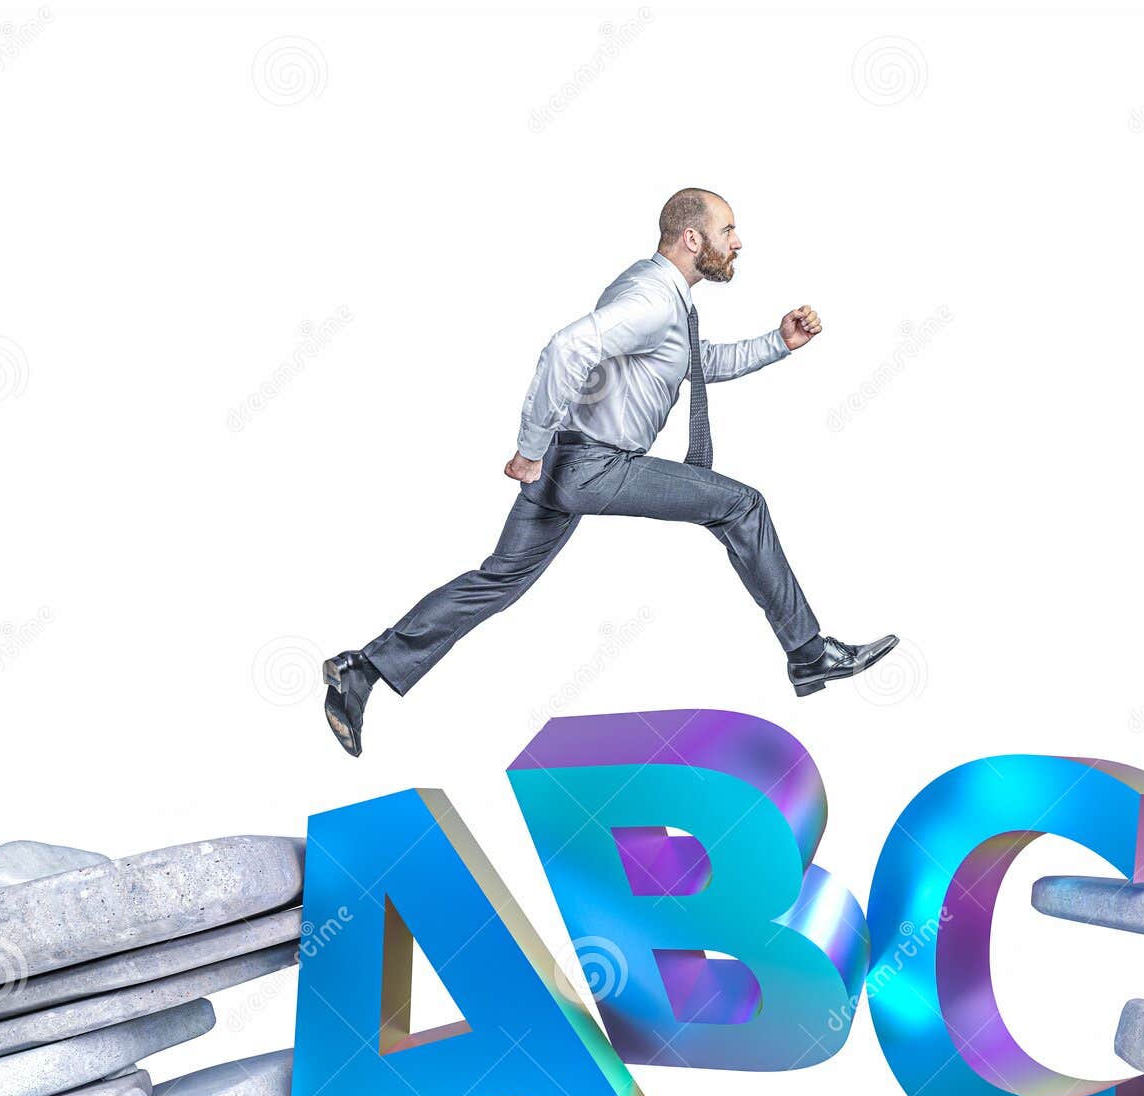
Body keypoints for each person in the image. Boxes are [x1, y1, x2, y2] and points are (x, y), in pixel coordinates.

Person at [322, 187, 898, 755]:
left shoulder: (654, 292)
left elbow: (695, 364)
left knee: (496, 581)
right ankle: (808, 652)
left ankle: (363, 670)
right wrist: (529, 444)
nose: (738, 242)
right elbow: (566, 348)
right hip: (591, 464)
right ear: (692, 238)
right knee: (742, 505)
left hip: (567, 466)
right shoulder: (653, 299)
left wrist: (780, 342)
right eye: (728, 231)